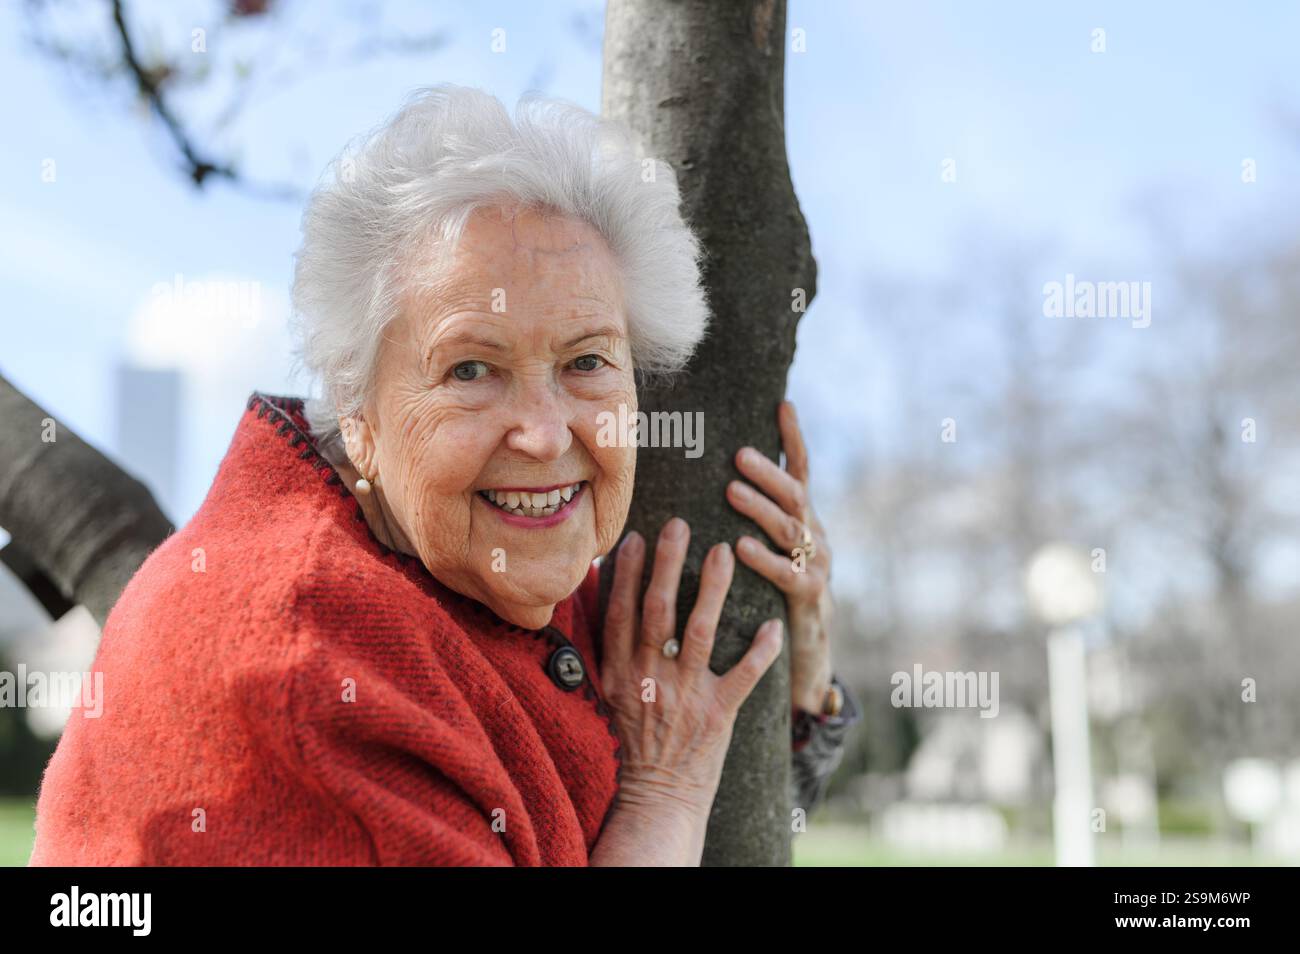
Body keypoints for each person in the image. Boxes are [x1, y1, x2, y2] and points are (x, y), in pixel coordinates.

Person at [30, 84, 859, 866]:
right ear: (357, 410)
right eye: (470, 370)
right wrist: (663, 795)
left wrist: (797, 670)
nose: (542, 434)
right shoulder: (303, 674)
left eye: (588, 361)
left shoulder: (494, 566)